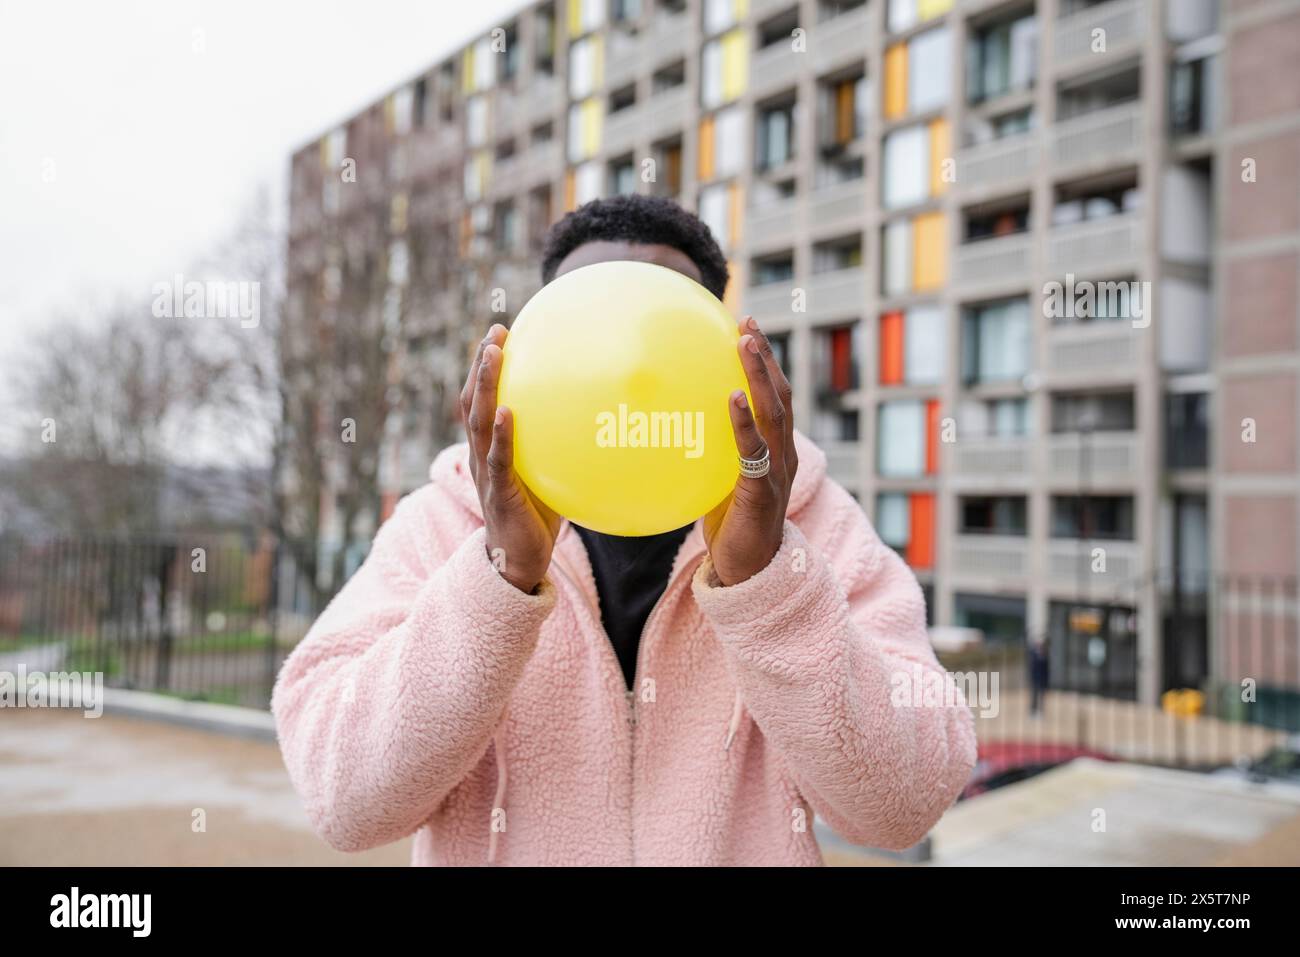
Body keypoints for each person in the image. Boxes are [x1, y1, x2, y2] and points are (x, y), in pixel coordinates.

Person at [272, 194, 977, 866]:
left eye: (660, 324)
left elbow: (902, 805)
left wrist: (767, 582)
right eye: (593, 318)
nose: (628, 359)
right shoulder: (445, 518)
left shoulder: (807, 518)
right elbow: (344, 802)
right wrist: (498, 577)